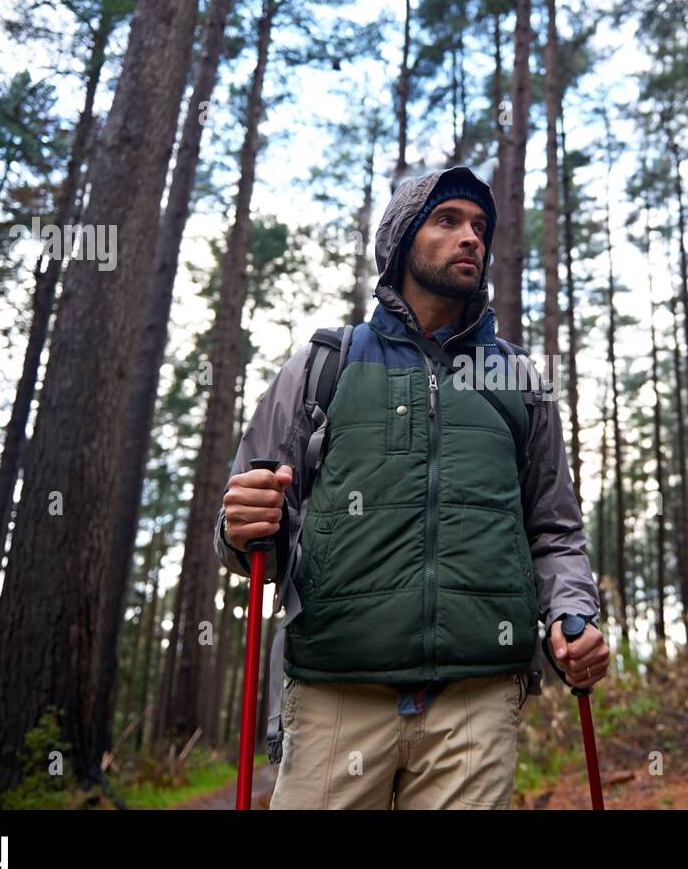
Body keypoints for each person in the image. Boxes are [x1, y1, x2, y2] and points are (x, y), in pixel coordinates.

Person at [214, 165, 606, 809]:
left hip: (477, 697)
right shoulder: (323, 365)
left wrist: (573, 614)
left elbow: (555, 530)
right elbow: (247, 543)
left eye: (480, 226)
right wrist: (240, 526)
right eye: (448, 221)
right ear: (400, 241)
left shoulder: (518, 380)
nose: (471, 238)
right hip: (337, 688)